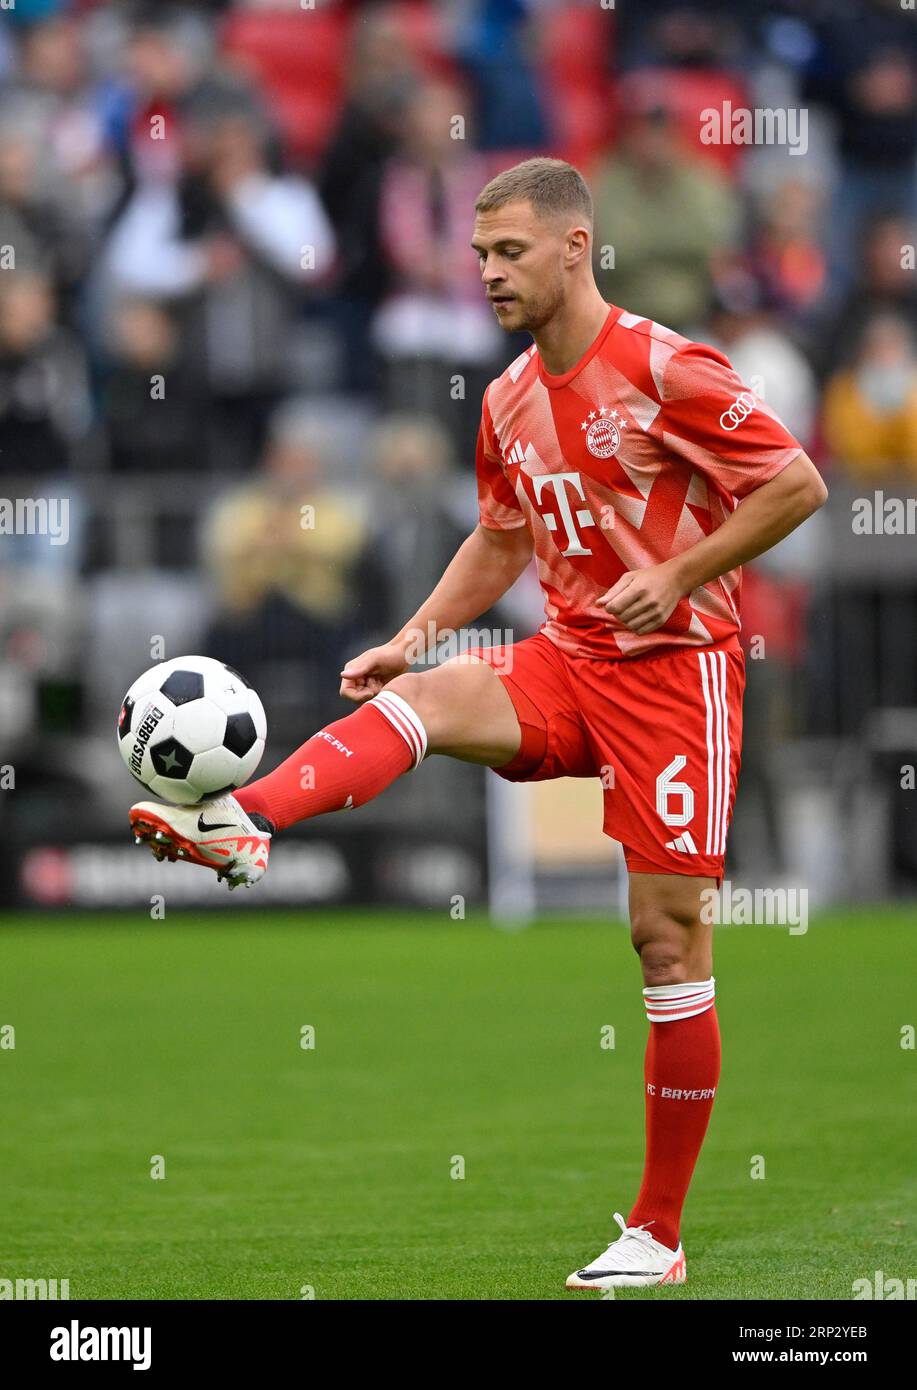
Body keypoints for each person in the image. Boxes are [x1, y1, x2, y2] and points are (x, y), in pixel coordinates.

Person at [128, 158, 827, 1290]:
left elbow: (792, 482)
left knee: (663, 938)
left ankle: (656, 1233)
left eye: (508, 252)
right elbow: (501, 537)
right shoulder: (504, 398)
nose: (489, 273)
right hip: (571, 657)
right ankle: (243, 820)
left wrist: (682, 571)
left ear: (572, 246)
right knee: (431, 694)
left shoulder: (662, 364)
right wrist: (415, 631)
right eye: (479, 255)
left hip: (676, 672)